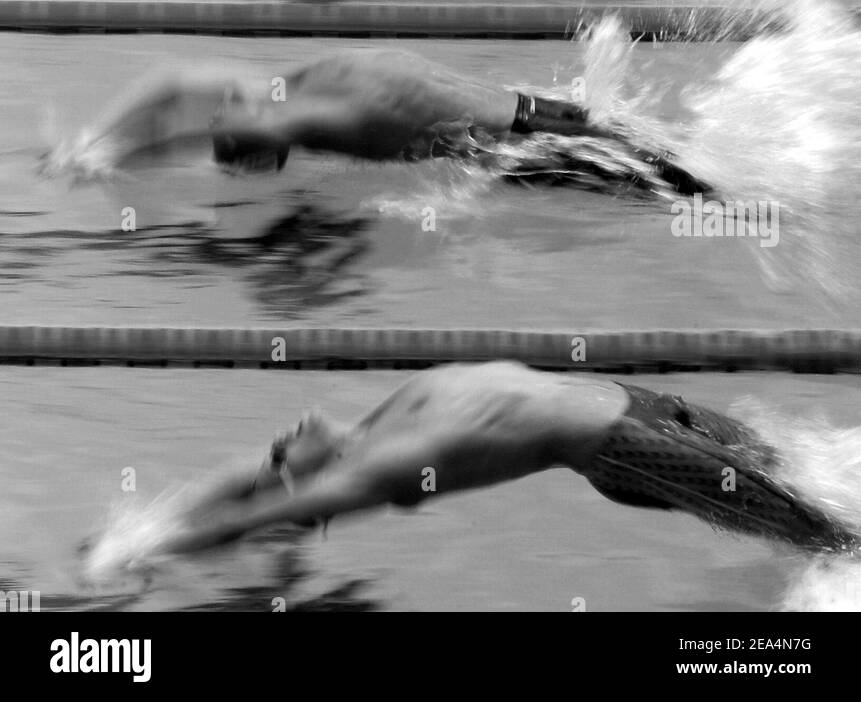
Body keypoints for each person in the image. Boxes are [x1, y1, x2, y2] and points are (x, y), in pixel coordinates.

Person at [96, 361, 858, 562]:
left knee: (799, 467)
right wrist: (145, 545)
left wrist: (162, 519)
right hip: (632, 445)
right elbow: (270, 505)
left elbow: (255, 485)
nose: (277, 436)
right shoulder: (382, 465)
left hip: (639, 405)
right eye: (280, 449)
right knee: (816, 534)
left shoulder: (374, 424)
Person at [42, 46, 702, 198]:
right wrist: (103, 149)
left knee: (694, 189)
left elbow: (177, 90)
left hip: (535, 146)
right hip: (539, 115)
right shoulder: (292, 90)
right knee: (687, 166)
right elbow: (181, 92)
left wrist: (107, 151)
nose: (217, 104)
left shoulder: (301, 112)